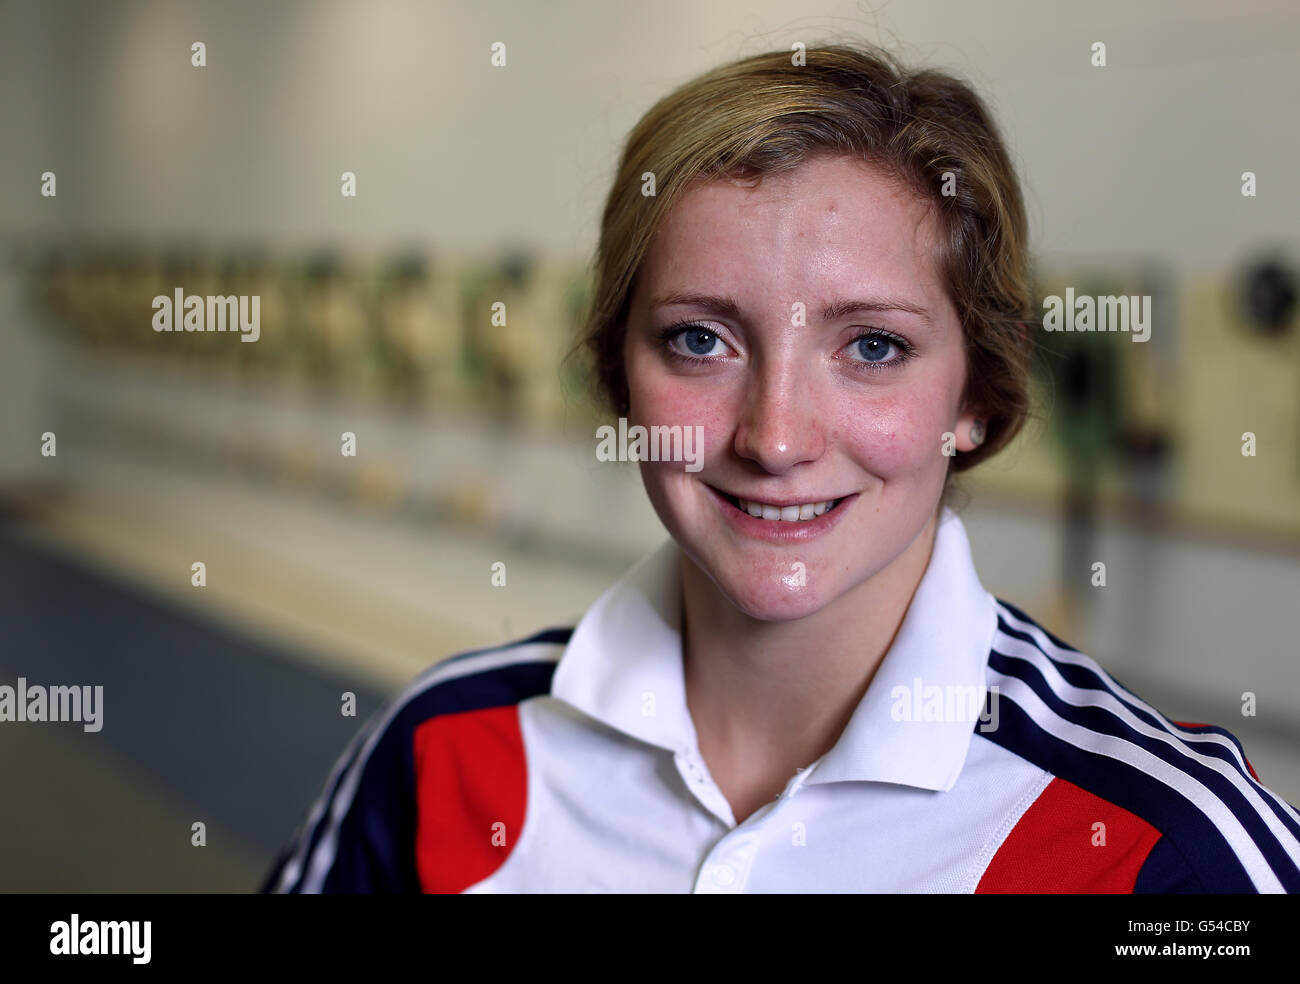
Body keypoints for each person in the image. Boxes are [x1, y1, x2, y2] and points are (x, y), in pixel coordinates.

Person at [263, 41, 1300, 893]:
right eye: (700, 341)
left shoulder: (1171, 853)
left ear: (978, 395)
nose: (775, 437)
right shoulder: (441, 750)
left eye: (873, 348)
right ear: (616, 378)